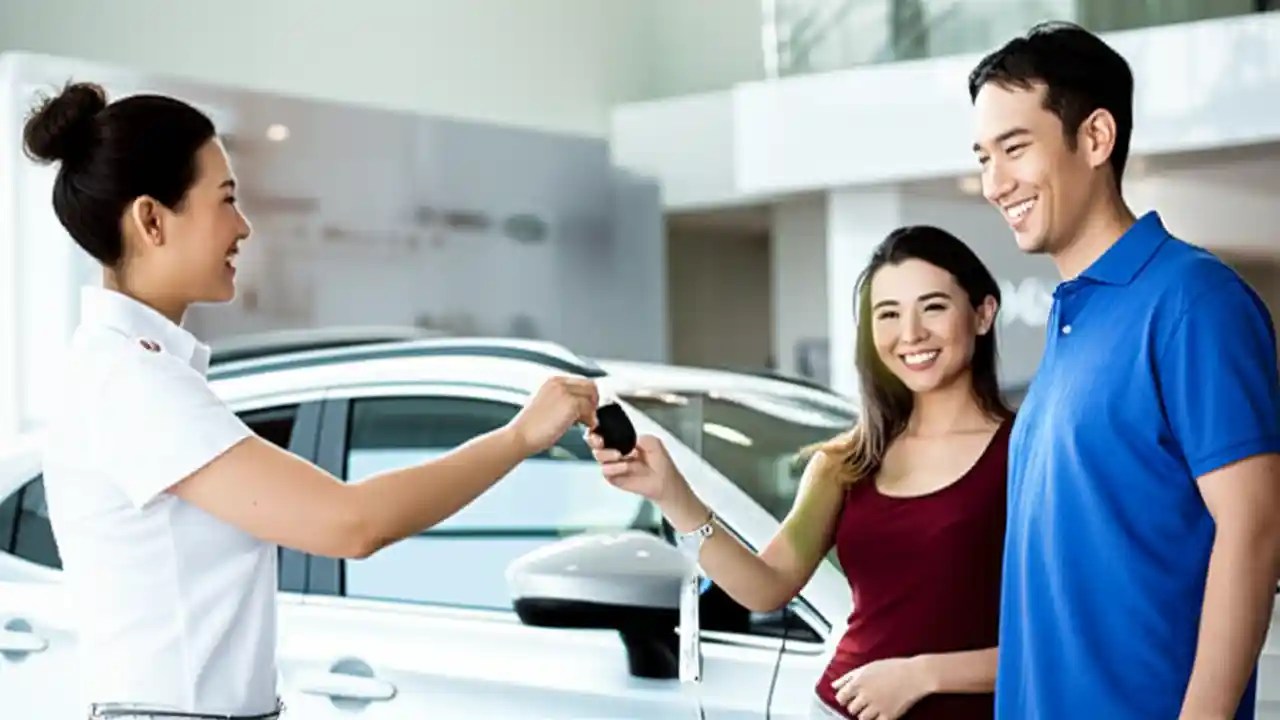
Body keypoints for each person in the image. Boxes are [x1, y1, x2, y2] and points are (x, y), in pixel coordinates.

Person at [29, 82, 600, 719]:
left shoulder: (137, 371)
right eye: (226, 200)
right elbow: (351, 524)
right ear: (152, 219)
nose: (243, 227)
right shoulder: (133, 383)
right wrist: (517, 437)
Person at [969, 21, 1280, 720]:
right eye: (984, 156)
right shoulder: (1070, 321)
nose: (995, 183)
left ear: (1096, 137)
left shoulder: (1193, 301)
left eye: (1014, 148)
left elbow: (1256, 528)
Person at [592, 225, 1013, 720]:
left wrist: (921, 675)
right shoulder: (845, 462)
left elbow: (1076, 641)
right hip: (836, 709)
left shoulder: (1030, 453)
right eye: (888, 314)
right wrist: (671, 495)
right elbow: (766, 586)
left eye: (934, 307)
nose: (911, 333)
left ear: (983, 313)